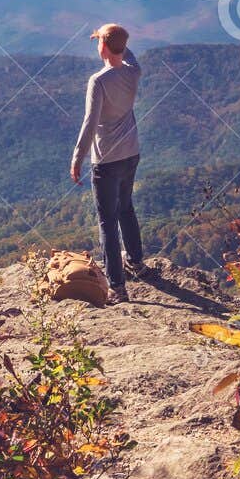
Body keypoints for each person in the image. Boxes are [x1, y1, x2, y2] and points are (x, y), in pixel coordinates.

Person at [70, 23, 147, 304]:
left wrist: (77, 157)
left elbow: (90, 123)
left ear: (102, 46)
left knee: (107, 220)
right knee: (126, 208)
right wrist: (115, 37)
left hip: (106, 159)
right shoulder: (133, 71)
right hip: (131, 153)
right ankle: (136, 262)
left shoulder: (98, 81)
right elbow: (126, 52)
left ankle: (117, 286)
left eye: (98, 41)